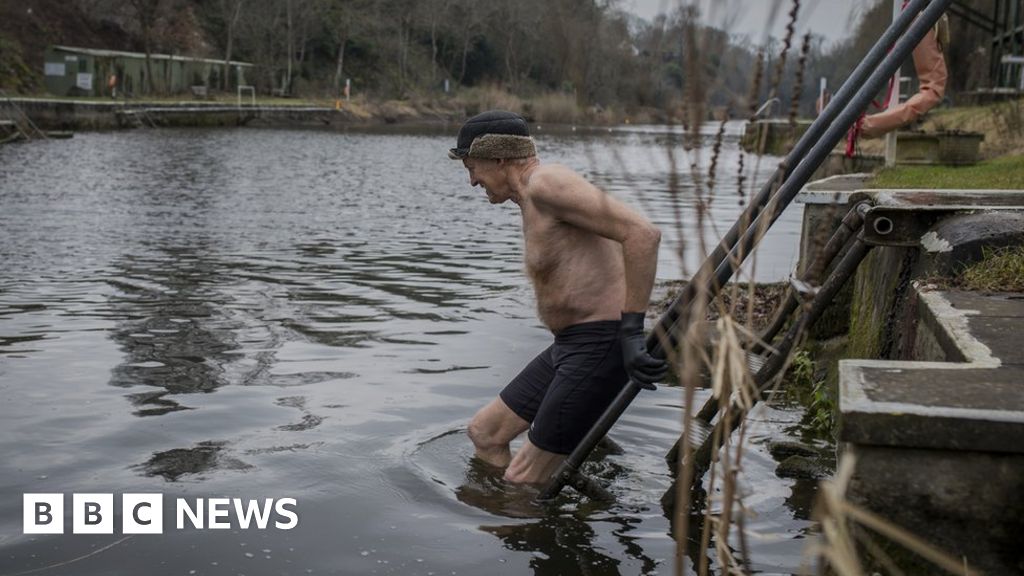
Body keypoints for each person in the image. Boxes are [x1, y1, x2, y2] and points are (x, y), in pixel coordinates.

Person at [449, 110, 668, 485]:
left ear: (499, 158)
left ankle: (529, 520)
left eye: (473, 167)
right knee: (485, 434)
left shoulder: (546, 183)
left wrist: (631, 333)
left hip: (598, 345)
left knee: (521, 480)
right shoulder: (532, 198)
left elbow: (642, 234)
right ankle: (536, 506)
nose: (472, 181)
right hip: (570, 346)